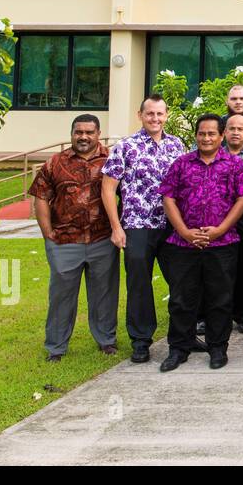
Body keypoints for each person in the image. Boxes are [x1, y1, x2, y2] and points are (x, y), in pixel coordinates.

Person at [157, 113, 243, 371]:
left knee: (220, 298)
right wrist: (185, 232)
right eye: (202, 133)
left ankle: (217, 348)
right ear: (196, 135)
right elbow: (168, 198)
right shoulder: (181, 164)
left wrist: (220, 229)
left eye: (212, 133)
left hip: (222, 244)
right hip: (183, 244)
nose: (207, 138)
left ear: (221, 136)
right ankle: (179, 347)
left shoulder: (234, 165)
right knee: (181, 298)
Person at [100, 94, 186, 363]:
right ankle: (141, 340)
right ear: (140, 115)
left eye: (160, 114)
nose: (155, 118)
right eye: (150, 114)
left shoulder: (177, 145)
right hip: (138, 225)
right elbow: (108, 188)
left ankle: (182, 336)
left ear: (167, 115)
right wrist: (116, 227)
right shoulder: (126, 147)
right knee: (139, 284)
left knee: (183, 282)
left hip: (171, 226)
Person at [30, 114, 118, 362]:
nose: (83, 137)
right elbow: (41, 197)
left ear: (98, 134)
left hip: (102, 239)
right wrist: (47, 232)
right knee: (61, 296)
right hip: (64, 241)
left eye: (89, 132)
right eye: (79, 132)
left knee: (104, 294)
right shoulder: (55, 163)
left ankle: (106, 340)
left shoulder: (112, 160)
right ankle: (56, 347)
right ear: (72, 134)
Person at [222, 112, 243, 333]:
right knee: (220, 268)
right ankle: (219, 314)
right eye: (231, 128)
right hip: (218, 218)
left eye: (240, 129)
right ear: (224, 132)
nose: (235, 132)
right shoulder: (214, 153)